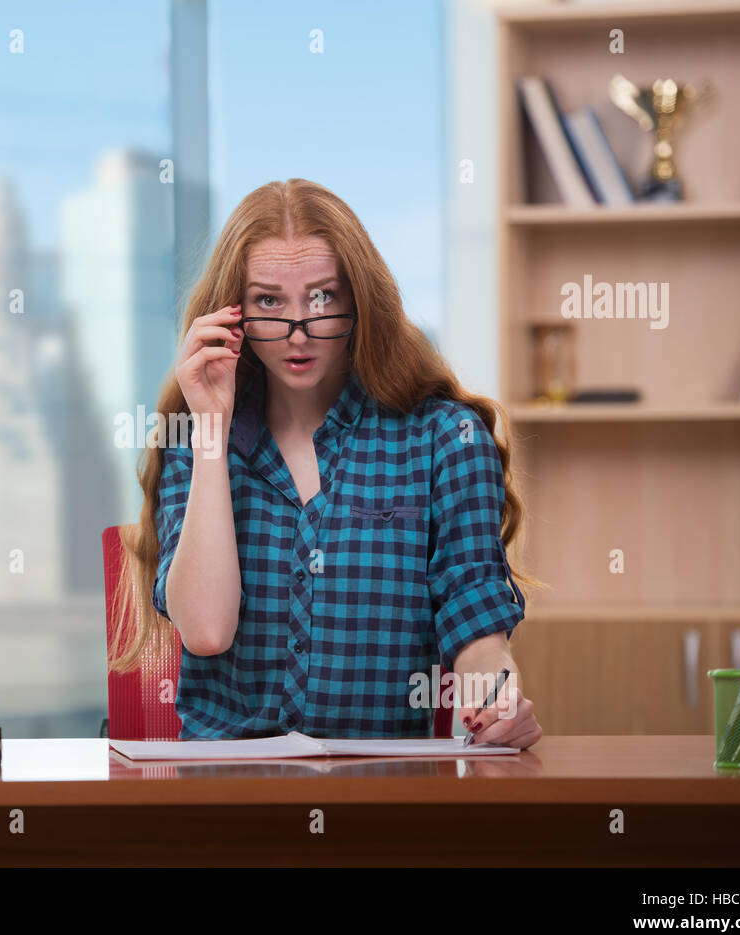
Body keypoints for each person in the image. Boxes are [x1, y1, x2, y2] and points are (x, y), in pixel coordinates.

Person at [111, 178, 543, 748]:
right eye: (269, 302)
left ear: (358, 301)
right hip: (224, 793)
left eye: (322, 299)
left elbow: (478, 629)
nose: (299, 333)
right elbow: (208, 631)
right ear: (232, 314)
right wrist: (212, 428)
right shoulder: (194, 440)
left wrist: (499, 702)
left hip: (378, 791)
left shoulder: (445, 438)